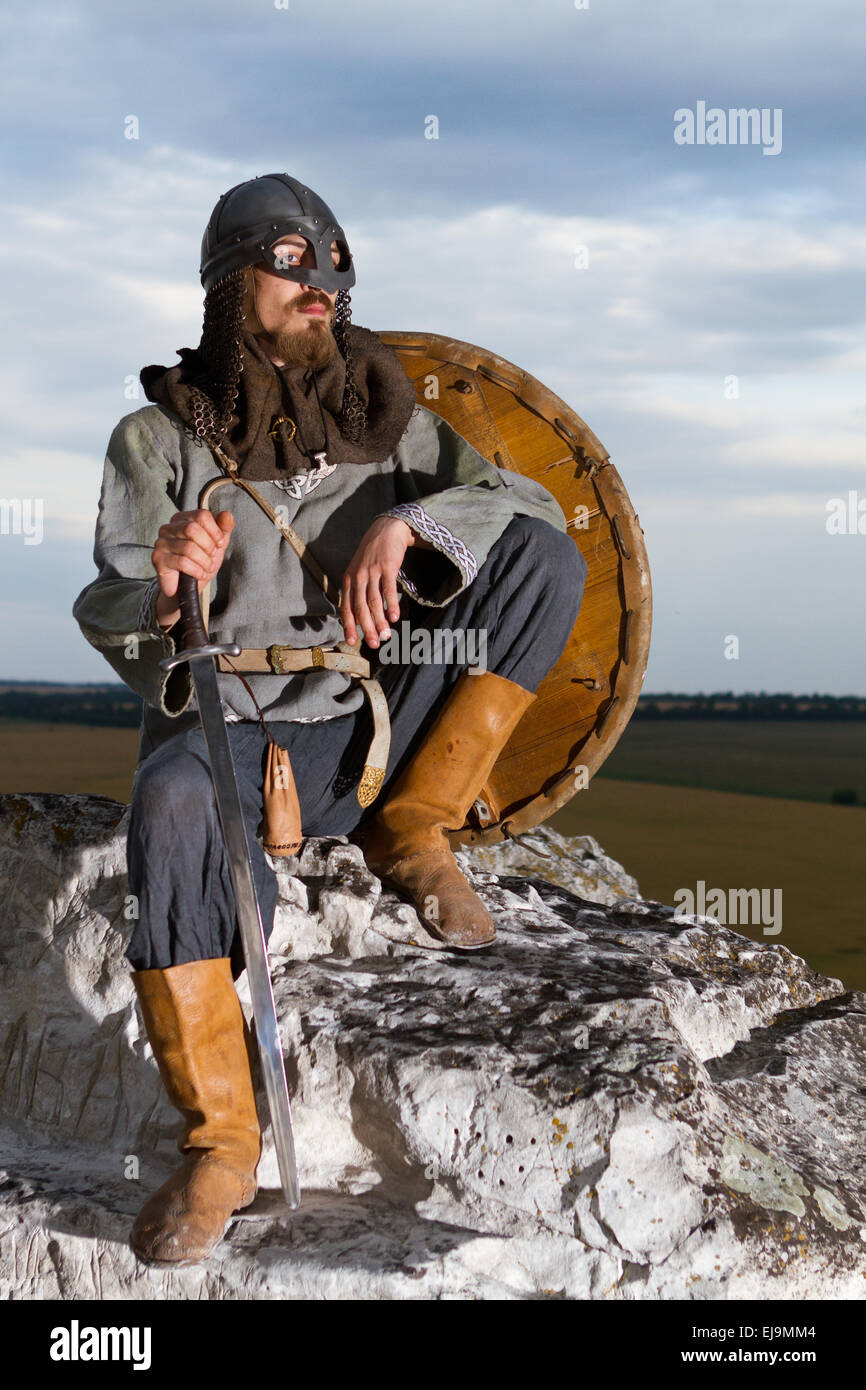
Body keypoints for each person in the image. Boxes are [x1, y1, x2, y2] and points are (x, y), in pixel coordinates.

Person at [72, 172, 587, 1266]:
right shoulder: (155, 439)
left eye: (335, 266)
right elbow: (107, 600)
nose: (324, 286)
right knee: (169, 801)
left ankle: (413, 826)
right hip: (233, 725)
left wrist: (414, 524)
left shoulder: (383, 415)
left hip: (368, 726)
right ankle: (220, 1140)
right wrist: (166, 581)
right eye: (293, 263)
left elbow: (527, 506)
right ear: (228, 284)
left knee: (540, 555)